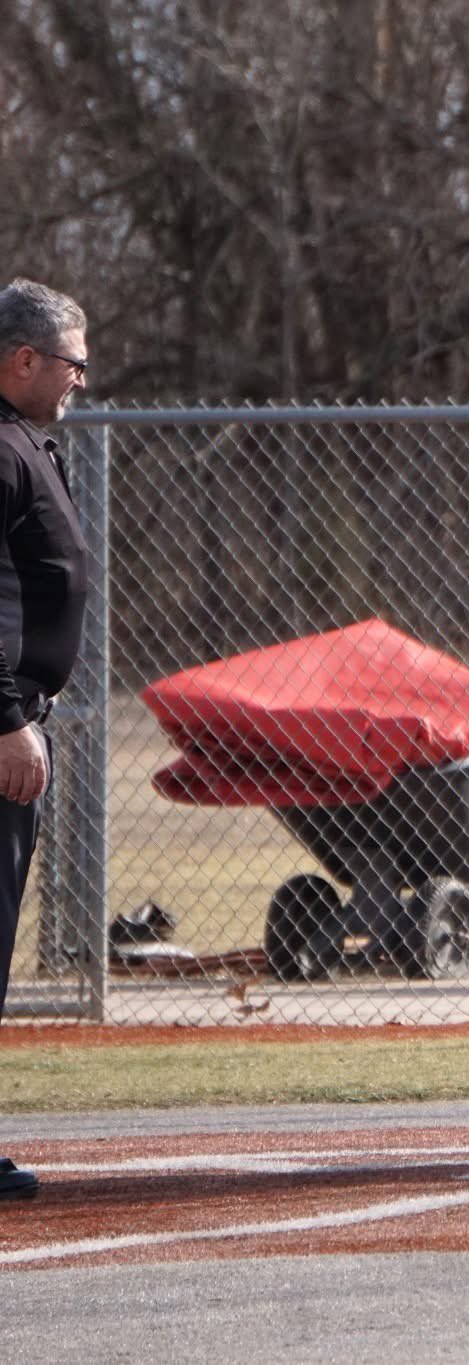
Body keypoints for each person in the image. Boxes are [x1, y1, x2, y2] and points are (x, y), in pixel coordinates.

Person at [0, 278, 92, 1200]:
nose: (80, 379)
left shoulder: (24, 440)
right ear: (23, 358)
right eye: (72, 362)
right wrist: (8, 719)